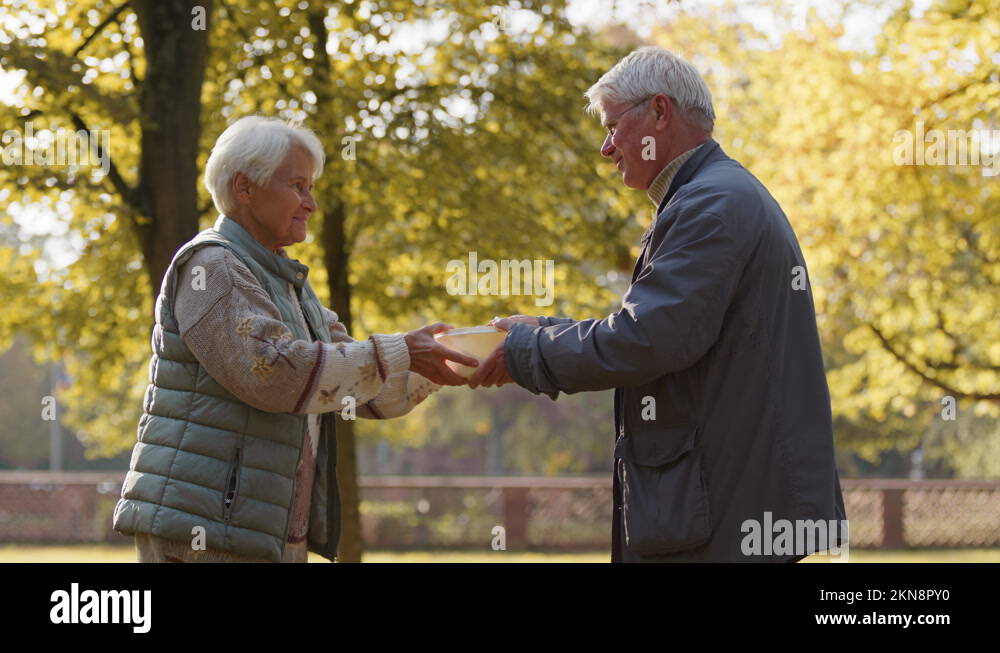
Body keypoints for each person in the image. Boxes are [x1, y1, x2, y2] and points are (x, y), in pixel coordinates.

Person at [469, 46, 847, 562]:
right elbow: (656, 327)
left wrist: (525, 351)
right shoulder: (715, 196)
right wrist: (542, 328)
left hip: (726, 520)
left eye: (611, 126)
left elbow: (646, 341)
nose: (606, 148)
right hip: (734, 510)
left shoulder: (710, 205)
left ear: (659, 112)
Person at [113, 116, 478, 563]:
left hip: (258, 534)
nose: (312, 204)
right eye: (299, 186)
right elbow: (275, 375)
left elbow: (362, 389)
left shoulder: (291, 285)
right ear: (245, 187)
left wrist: (466, 358)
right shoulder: (213, 268)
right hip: (204, 534)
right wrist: (403, 350)